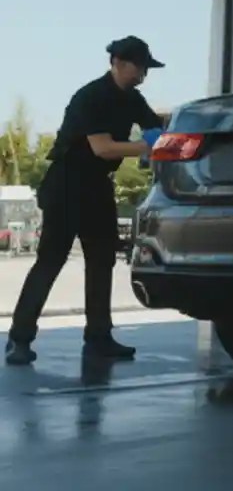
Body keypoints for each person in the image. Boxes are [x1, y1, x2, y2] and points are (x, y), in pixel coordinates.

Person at [5, 37, 168, 366]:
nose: (143, 75)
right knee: (50, 261)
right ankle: (19, 339)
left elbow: (159, 129)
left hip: (97, 186)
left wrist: (167, 136)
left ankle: (99, 337)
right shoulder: (91, 96)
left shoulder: (133, 99)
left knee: (102, 261)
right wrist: (145, 148)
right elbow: (103, 147)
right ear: (119, 63)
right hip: (67, 183)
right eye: (139, 67)